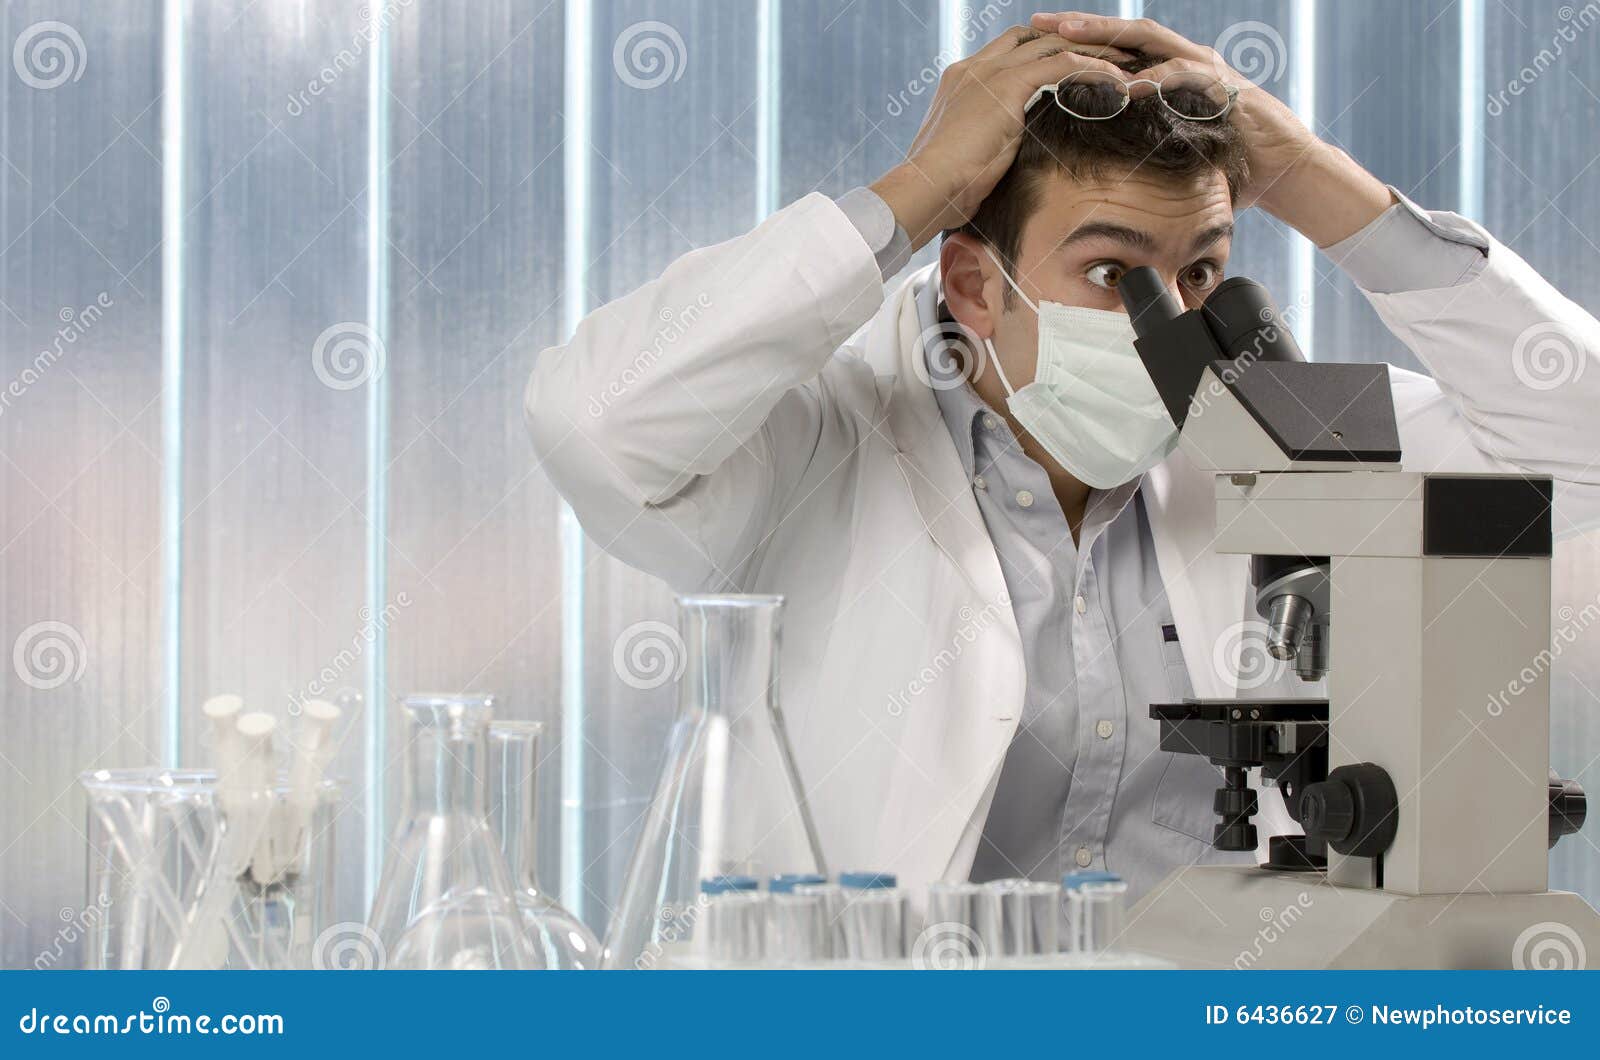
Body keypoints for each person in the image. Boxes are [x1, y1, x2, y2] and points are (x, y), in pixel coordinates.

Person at [526, 15, 1600, 901]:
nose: (1165, 316)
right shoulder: (819, 439)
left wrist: (1306, 174)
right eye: (1110, 274)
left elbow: (1581, 441)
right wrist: (920, 186)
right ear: (973, 286)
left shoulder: (1275, 423)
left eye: (1200, 271)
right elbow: (596, 425)